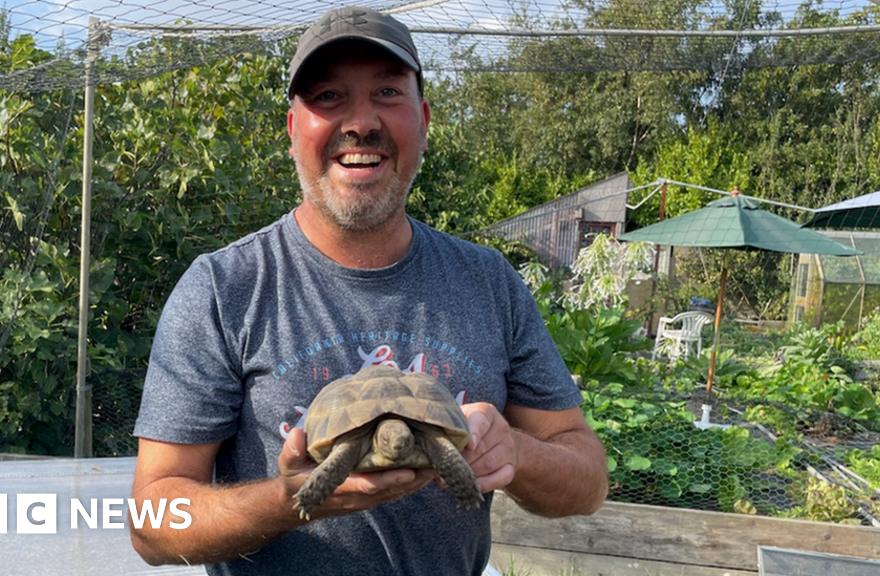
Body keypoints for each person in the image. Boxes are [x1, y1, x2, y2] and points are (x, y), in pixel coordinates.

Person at [130, 6, 608, 575]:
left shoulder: (490, 283)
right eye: (329, 96)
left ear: (423, 119)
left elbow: (588, 480)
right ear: (292, 131)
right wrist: (289, 502)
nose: (360, 122)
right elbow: (151, 525)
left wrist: (518, 453)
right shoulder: (223, 289)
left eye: (386, 91)